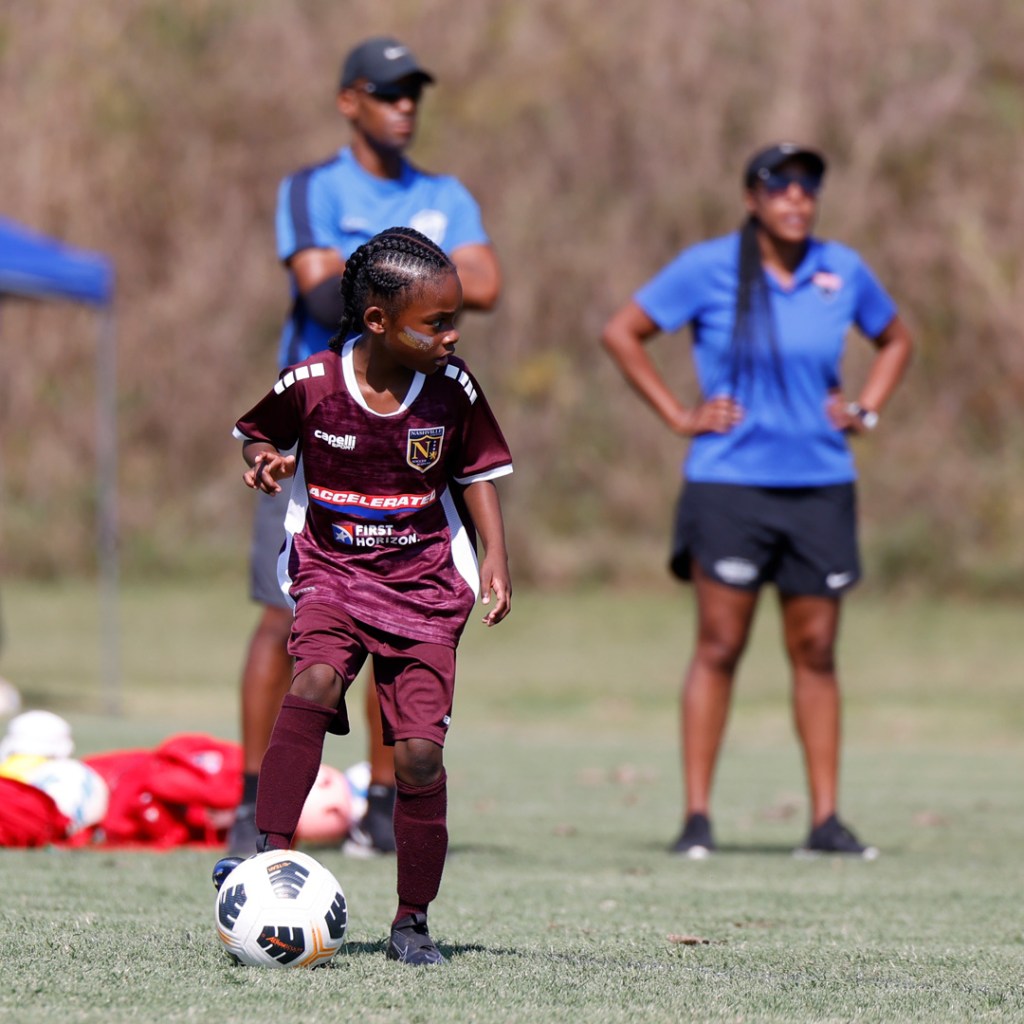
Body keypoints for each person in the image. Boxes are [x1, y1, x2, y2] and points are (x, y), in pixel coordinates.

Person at [227, 35, 501, 857]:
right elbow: (317, 284)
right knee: (289, 616)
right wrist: (402, 264)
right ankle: (254, 799)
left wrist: (396, 273)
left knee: (401, 621)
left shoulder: (447, 190)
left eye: (413, 91)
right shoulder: (313, 187)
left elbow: (484, 281)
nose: (404, 105)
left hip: (411, 427)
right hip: (323, 430)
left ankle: (385, 804)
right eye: (387, 93)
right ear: (350, 101)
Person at [601, 142, 912, 859]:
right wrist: (680, 414)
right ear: (752, 199)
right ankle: (698, 819)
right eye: (780, 187)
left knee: (816, 649)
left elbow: (897, 339)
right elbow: (623, 332)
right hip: (729, 486)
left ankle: (827, 821)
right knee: (720, 644)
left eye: (808, 187)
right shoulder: (708, 268)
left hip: (821, 484)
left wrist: (865, 409)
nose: (796, 199)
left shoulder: (844, 271)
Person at [225, 227, 513, 964]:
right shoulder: (313, 383)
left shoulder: (453, 390)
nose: (452, 334)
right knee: (316, 677)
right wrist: (265, 462)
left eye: (455, 320)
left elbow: (476, 475)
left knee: (417, 756)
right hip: (331, 570)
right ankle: (268, 859)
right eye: (436, 323)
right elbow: (258, 435)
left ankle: (411, 924)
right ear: (379, 321)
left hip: (422, 584)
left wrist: (496, 563)